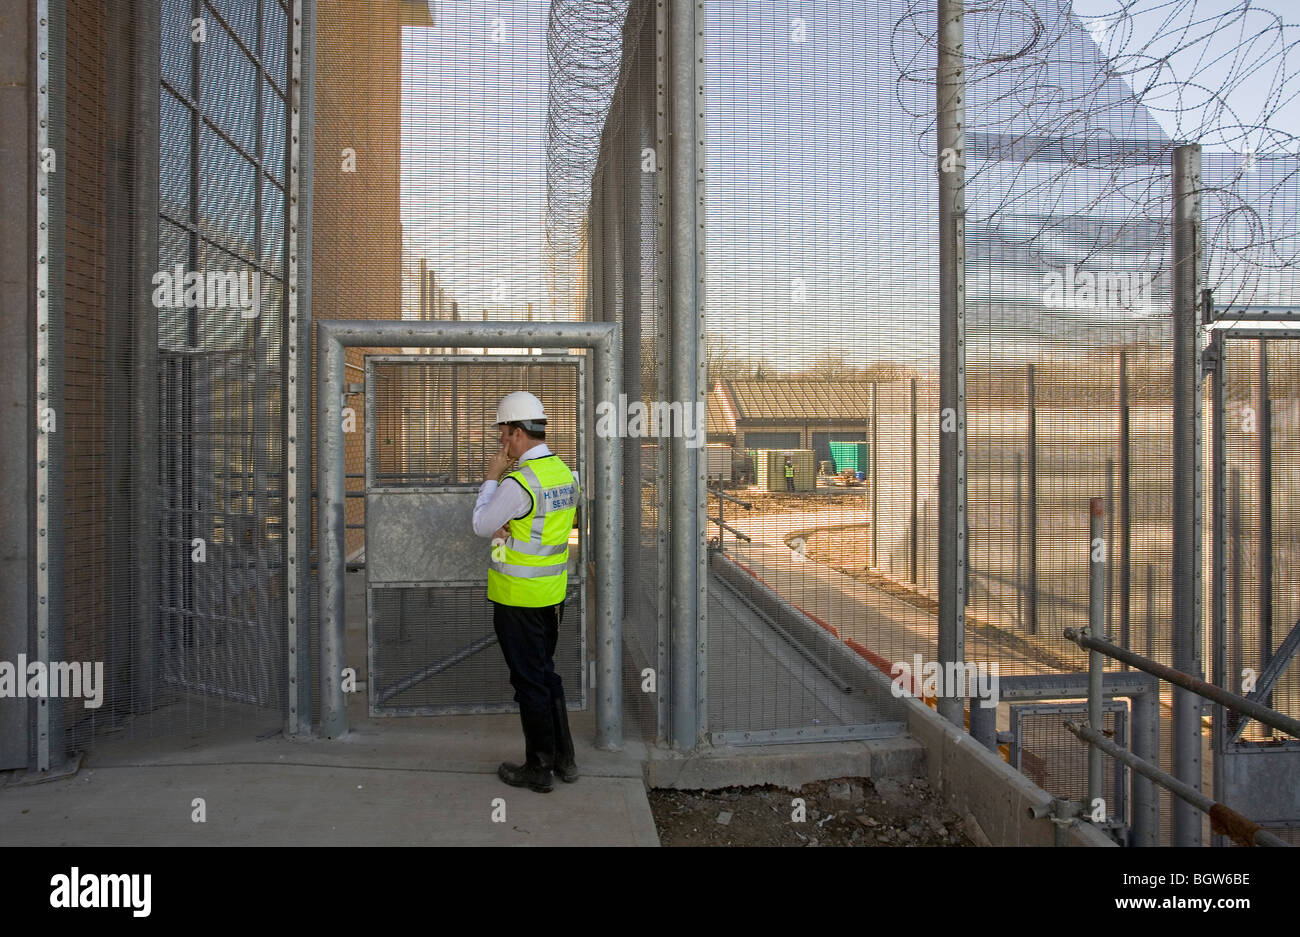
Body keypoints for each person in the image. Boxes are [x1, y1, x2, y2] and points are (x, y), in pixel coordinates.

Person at [471, 391, 580, 793]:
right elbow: (540, 529)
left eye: (502, 434)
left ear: (517, 432)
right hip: (552, 595)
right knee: (546, 675)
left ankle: (538, 768)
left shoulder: (518, 482)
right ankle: (564, 758)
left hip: (518, 598)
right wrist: (509, 527)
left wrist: (490, 478)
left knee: (528, 683)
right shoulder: (565, 474)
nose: (500, 442)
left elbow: (482, 524)